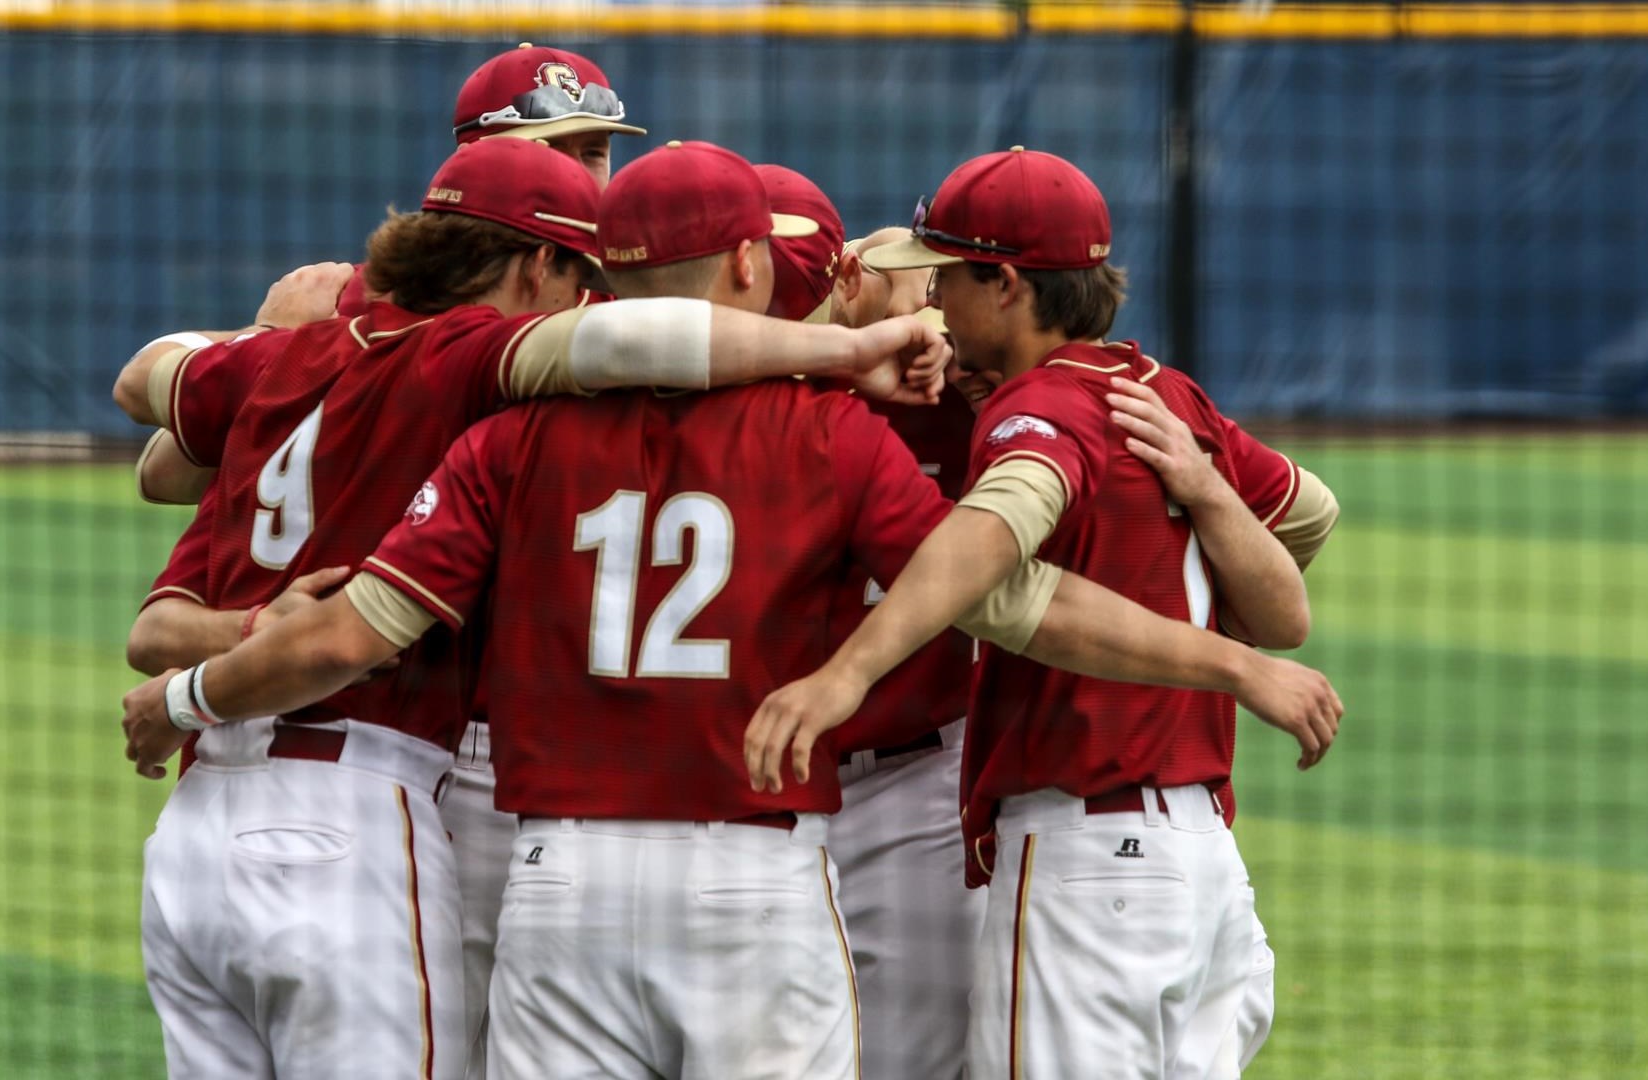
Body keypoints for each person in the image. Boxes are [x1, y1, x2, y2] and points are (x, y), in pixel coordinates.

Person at [119, 140, 1343, 1080]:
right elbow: (1005, 597)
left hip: (552, 875)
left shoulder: (504, 436)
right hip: (750, 873)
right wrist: (1228, 664)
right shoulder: (836, 431)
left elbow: (334, 613)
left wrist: (185, 693)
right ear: (752, 267)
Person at [117, 134, 954, 1079]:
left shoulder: (353, 393)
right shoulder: (483, 370)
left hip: (499, 870)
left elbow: (160, 450)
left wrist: (191, 691)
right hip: (696, 863)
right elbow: (961, 583)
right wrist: (851, 351)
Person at [746, 147, 1343, 1078]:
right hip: (1201, 861)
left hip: (1087, 856)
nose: (934, 295)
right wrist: (1207, 494)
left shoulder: (1035, 408)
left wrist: (846, 675)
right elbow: (1303, 544)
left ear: (1009, 287)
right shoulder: (1159, 391)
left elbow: (1000, 524)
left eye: (949, 275)